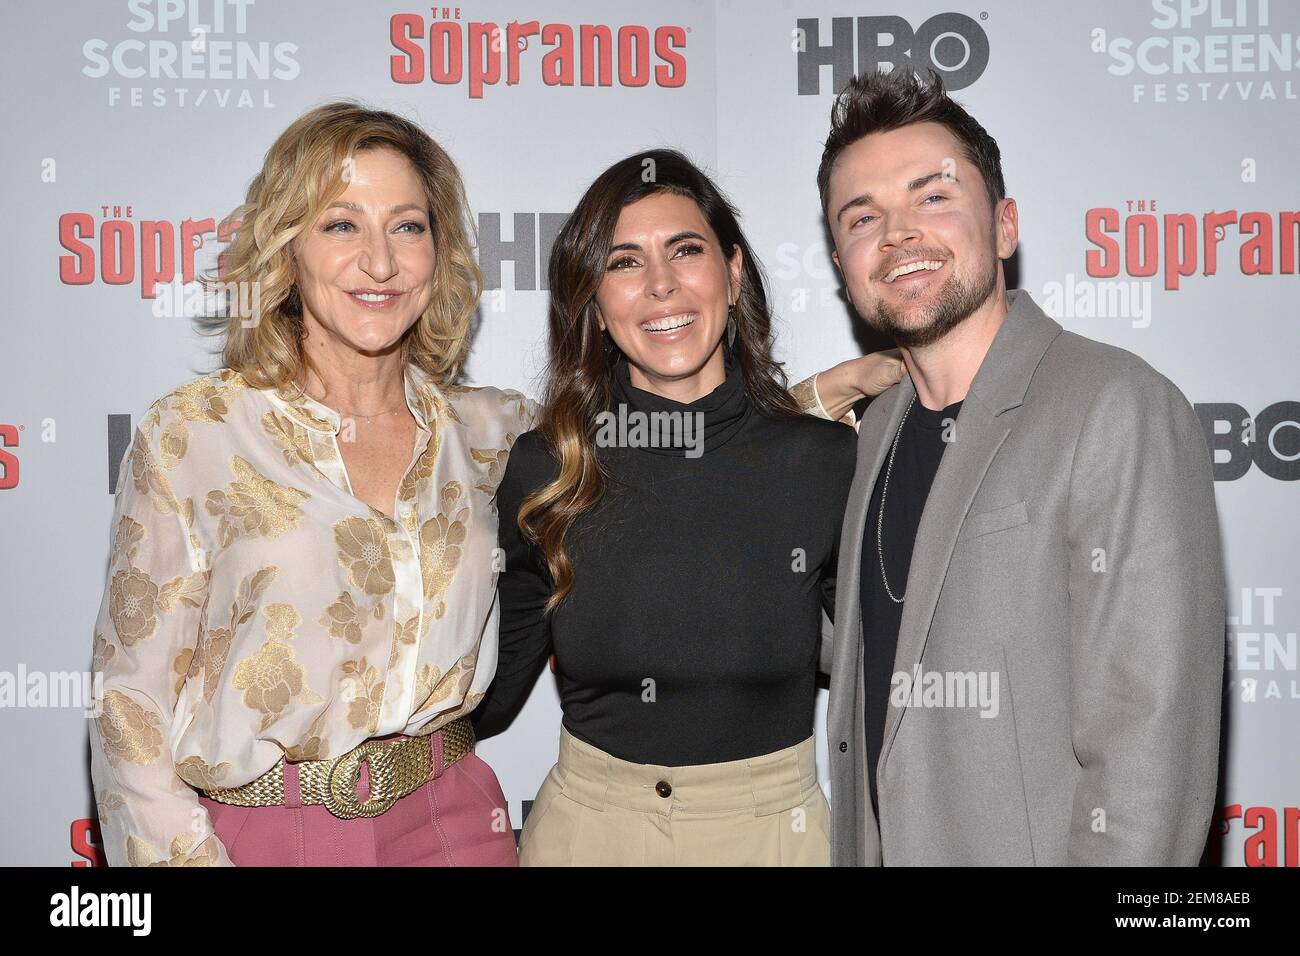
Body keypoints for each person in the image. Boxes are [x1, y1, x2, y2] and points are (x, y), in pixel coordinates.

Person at [88, 103, 893, 866]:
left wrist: (814, 408)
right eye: (341, 225)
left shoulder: (487, 434)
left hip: (453, 823)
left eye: (407, 227)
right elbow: (131, 707)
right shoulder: (195, 434)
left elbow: (686, 446)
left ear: (437, 256)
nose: (379, 261)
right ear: (286, 248)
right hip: (266, 831)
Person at [818, 69, 1225, 865]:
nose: (898, 234)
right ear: (842, 261)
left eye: (932, 196)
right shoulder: (873, 435)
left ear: (1005, 226)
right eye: (864, 216)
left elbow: (1152, 747)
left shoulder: (1116, 405)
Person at [472, 149, 902, 866]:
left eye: (685, 250)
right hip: (587, 837)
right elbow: (485, 691)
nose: (662, 285)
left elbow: (881, 668)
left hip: (775, 838)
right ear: (595, 306)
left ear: (733, 276)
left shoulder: (825, 462)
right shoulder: (547, 469)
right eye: (624, 263)